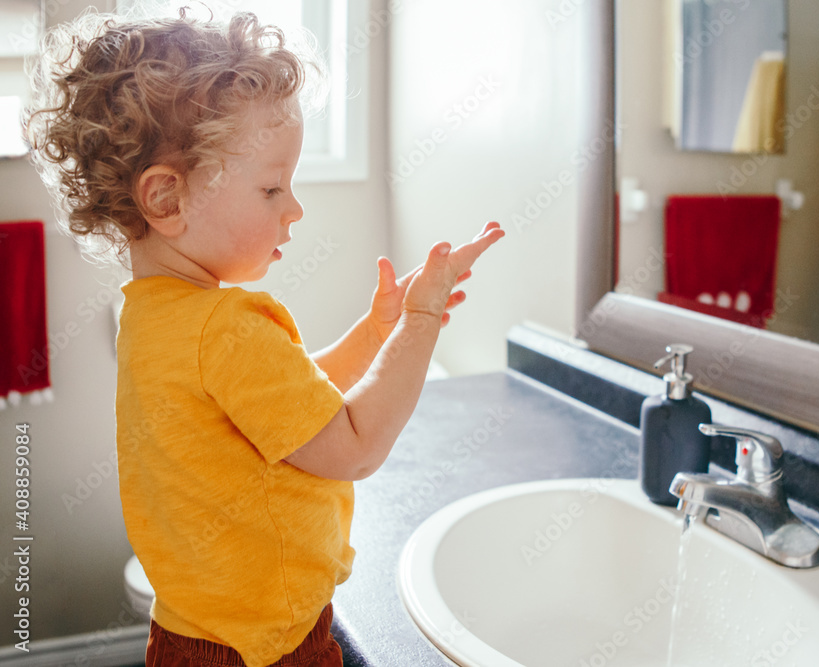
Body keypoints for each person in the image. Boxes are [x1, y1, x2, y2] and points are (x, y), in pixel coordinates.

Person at [26, 8, 503, 666]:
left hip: (188, 634)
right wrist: (419, 325)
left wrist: (376, 330)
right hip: (267, 648)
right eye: (272, 186)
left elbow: (290, 403)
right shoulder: (227, 325)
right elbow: (353, 447)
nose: (295, 207)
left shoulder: (154, 313)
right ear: (167, 200)